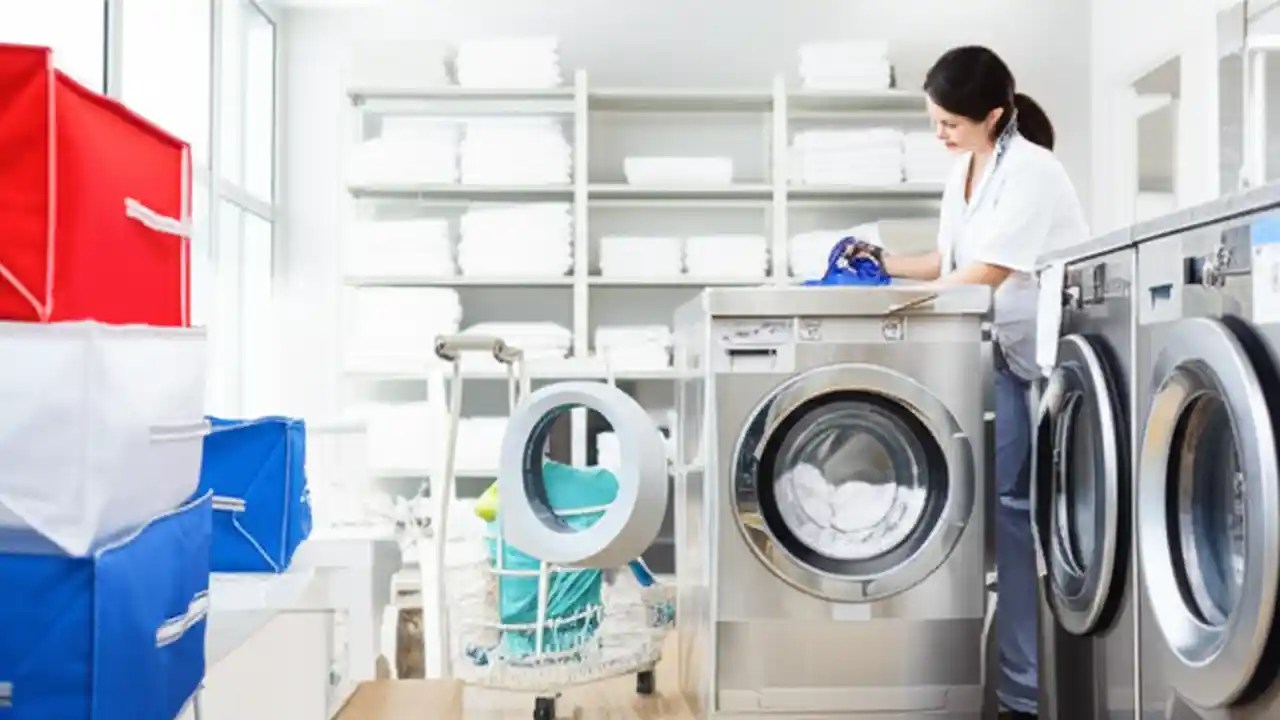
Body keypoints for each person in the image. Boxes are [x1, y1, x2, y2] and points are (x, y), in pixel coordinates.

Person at [850, 46, 1088, 719]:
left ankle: (1030, 688)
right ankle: (1015, 680)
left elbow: (987, 271)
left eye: (951, 123)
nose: (940, 135)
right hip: (1003, 358)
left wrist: (900, 306)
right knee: (1005, 514)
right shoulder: (965, 171)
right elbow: (948, 260)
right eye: (933, 121)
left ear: (992, 115)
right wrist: (883, 266)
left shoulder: (1034, 172)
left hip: (1049, 364)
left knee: (1028, 520)